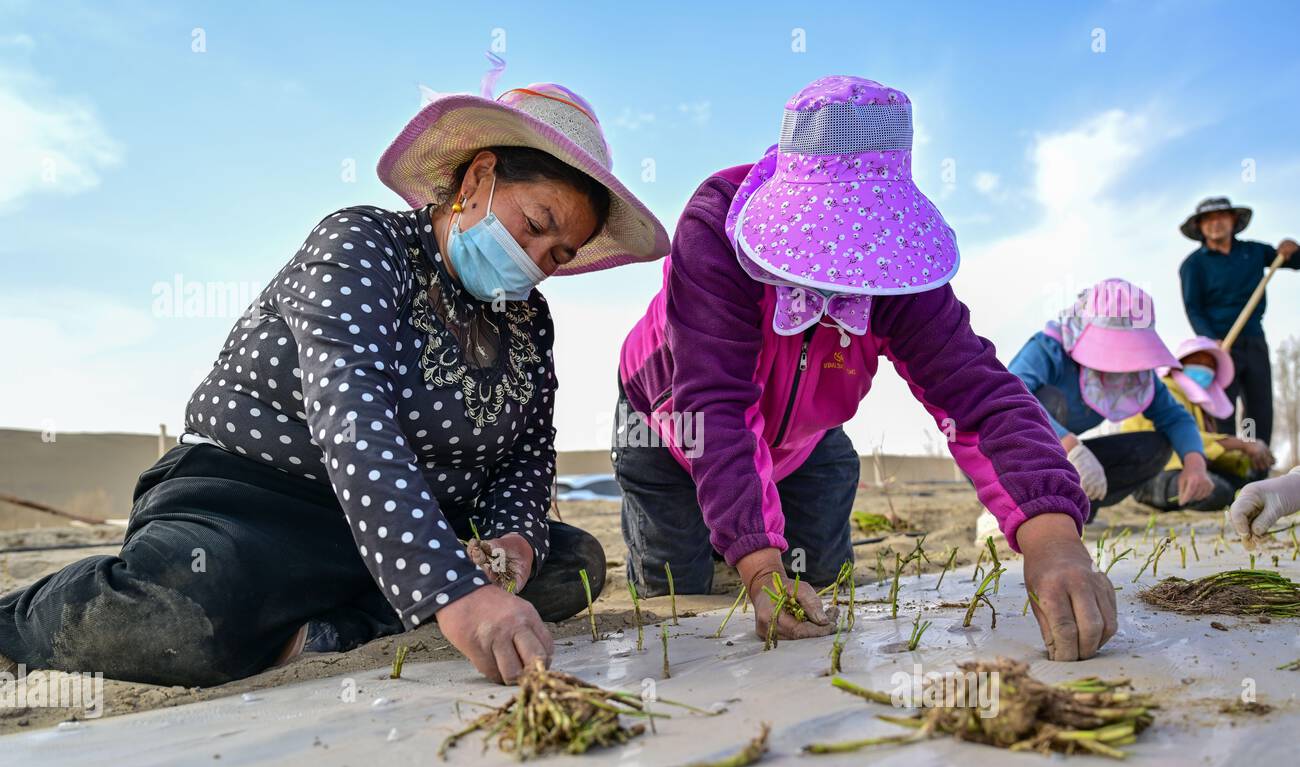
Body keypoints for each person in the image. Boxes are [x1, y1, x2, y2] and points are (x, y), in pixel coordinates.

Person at [0, 74, 670, 687]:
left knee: (571, 563)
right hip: (255, 508)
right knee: (189, 619)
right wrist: (458, 596)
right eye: (533, 227)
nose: (533, 264)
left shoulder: (527, 324)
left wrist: (513, 545)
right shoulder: (360, 245)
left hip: (410, 529)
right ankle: (18, 618)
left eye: (556, 256)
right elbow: (354, 421)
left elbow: (525, 458)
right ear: (479, 176)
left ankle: (331, 627)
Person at [614, 75, 1116, 663]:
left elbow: (977, 395)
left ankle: (757, 540)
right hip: (673, 426)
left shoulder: (898, 264)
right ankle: (727, 549)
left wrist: (1053, 537)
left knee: (825, 588)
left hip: (807, 438)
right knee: (678, 604)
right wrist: (760, 568)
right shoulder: (717, 227)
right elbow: (714, 405)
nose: (835, 269)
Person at [1007, 280, 1214, 518]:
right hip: (1011, 455)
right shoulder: (1048, 350)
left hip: (1065, 462)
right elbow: (1010, 398)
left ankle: (1074, 504)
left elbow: (1175, 418)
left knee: (1155, 447)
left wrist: (1195, 463)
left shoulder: (1136, 376)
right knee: (1047, 399)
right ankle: (1011, 503)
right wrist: (1067, 445)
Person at [1179, 196, 1300, 443]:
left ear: (1233, 220)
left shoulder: (1254, 252)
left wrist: (1292, 249)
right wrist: (1213, 340)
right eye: (1208, 220)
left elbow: (1293, 260)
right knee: (1222, 408)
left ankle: (1257, 469)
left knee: (1260, 407)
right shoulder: (1193, 265)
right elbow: (1194, 308)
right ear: (1200, 227)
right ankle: (1226, 470)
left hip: (1254, 338)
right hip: (1220, 346)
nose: (1215, 224)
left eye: (1221, 216)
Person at [1124, 336, 1273, 511]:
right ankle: (1163, 499)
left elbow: (1206, 450)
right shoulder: (1166, 391)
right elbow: (1184, 439)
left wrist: (1244, 459)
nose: (1205, 369)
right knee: (1218, 492)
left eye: (1210, 366)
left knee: (1247, 486)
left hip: (1185, 469)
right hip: (1152, 473)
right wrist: (1243, 444)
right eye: (1198, 361)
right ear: (1178, 364)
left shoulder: (1199, 405)